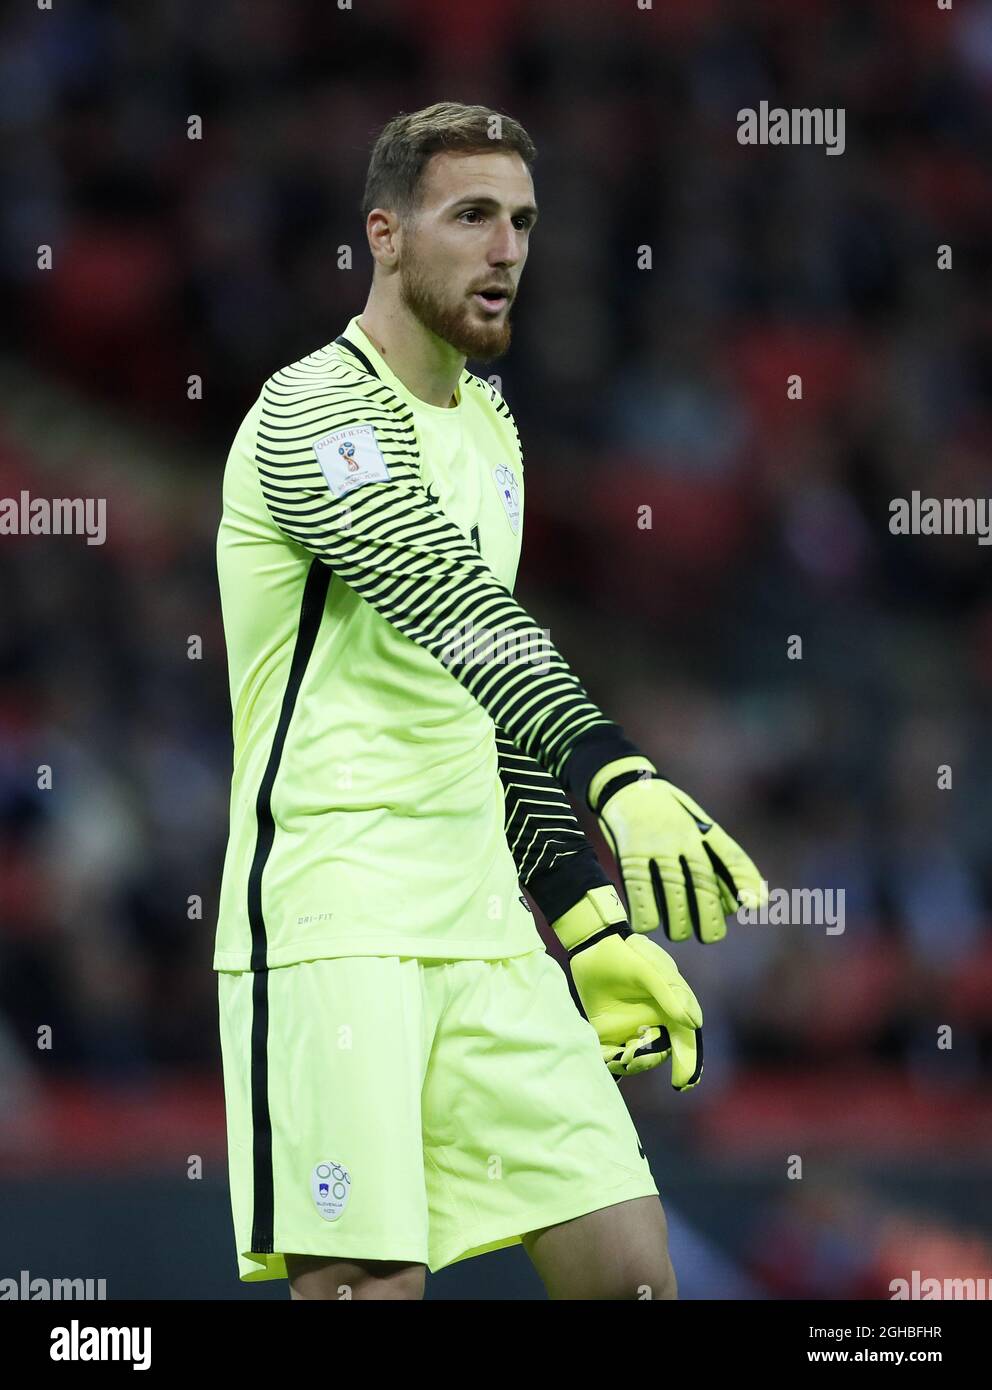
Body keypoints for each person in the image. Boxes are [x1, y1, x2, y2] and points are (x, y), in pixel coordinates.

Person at [214, 101, 763, 1301]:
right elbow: (452, 606)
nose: (505, 249)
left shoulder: (493, 431)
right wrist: (617, 775)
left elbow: (481, 702)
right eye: (470, 216)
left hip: (485, 936)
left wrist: (583, 920)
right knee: (365, 1291)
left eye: (520, 220)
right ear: (387, 234)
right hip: (335, 921)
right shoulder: (310, 412)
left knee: (629, 1274)